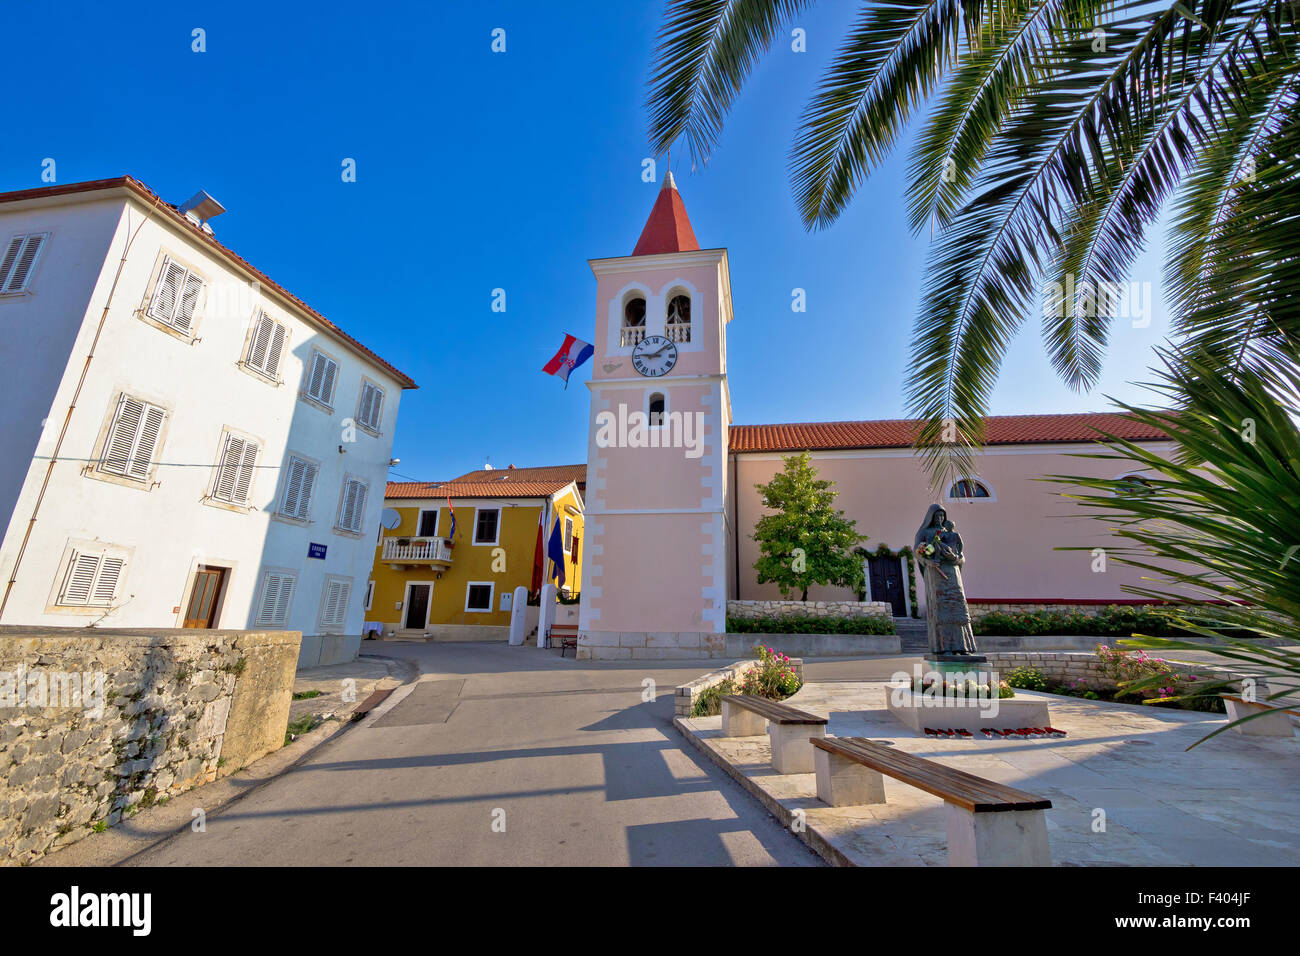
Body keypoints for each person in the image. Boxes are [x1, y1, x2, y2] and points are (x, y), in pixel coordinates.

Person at [913, 504, 979, 658]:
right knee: (942, 608)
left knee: (958, 607)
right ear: (931, 517)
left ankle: (963, 647)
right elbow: (917, 551)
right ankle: (944, 647)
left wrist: (957, 559)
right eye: (937, 515)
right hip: (936, 573)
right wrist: (928, 562)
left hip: (953, 573)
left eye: (942, 515)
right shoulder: (925, 532)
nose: (940, 518)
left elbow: (961, 555)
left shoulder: (952, 533)